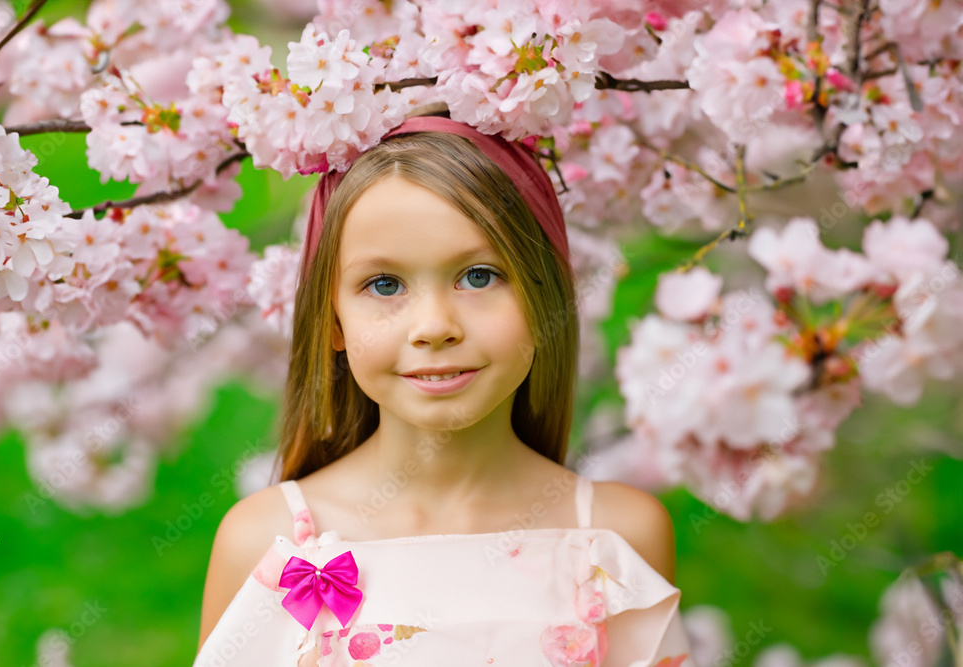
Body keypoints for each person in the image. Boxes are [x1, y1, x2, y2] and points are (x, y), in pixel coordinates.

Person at [194, 115, 696, 666]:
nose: (434, 325)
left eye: (479, 276)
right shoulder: (267, 542)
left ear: (543, 298)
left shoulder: (615, 541)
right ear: (333, 320)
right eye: (384, 285)